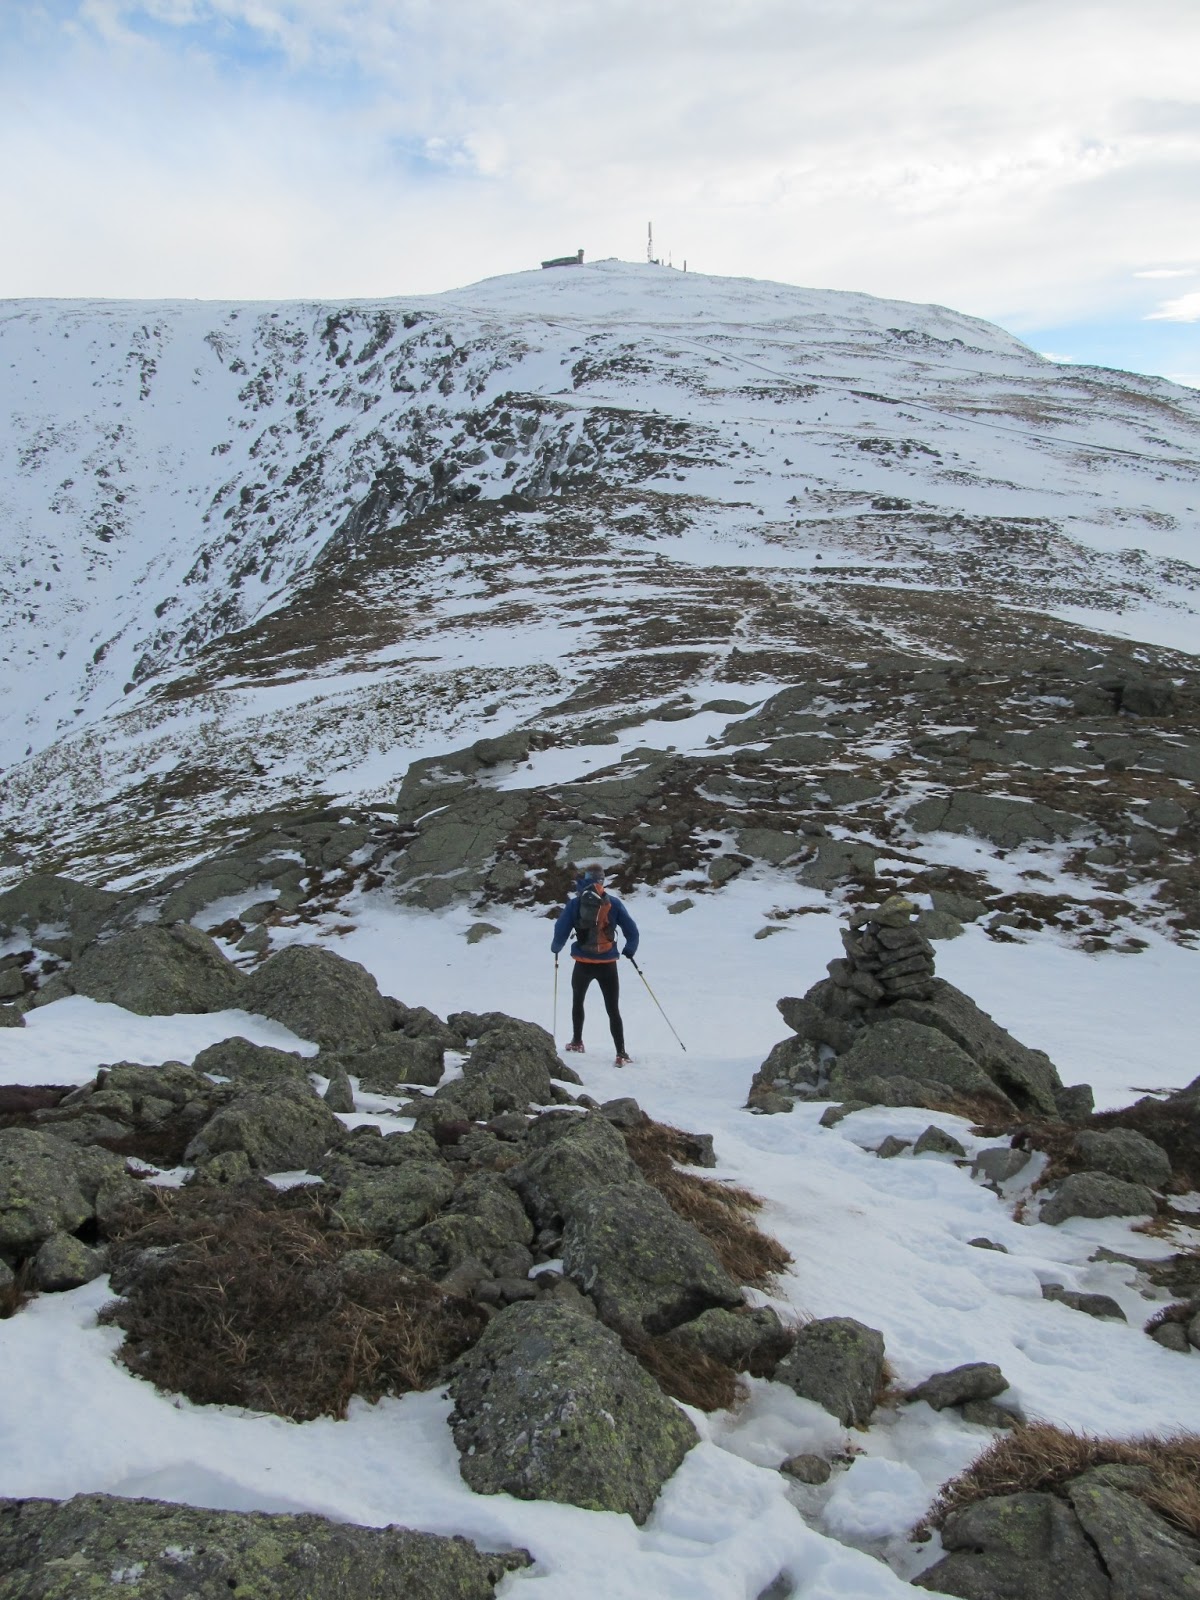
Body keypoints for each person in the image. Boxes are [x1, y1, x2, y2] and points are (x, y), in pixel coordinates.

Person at [551, 865, 639, 1064]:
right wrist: (629, 949)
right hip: (608, 963)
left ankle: (577, 1041)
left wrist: (556, 947)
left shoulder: (575, 903)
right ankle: (621, 1053)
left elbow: (561, 928)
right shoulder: (613, 903)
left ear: (586, 878)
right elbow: (632, 931)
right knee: (613, 1008)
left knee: (578, 1001)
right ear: (602, 880)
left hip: (583, 963)